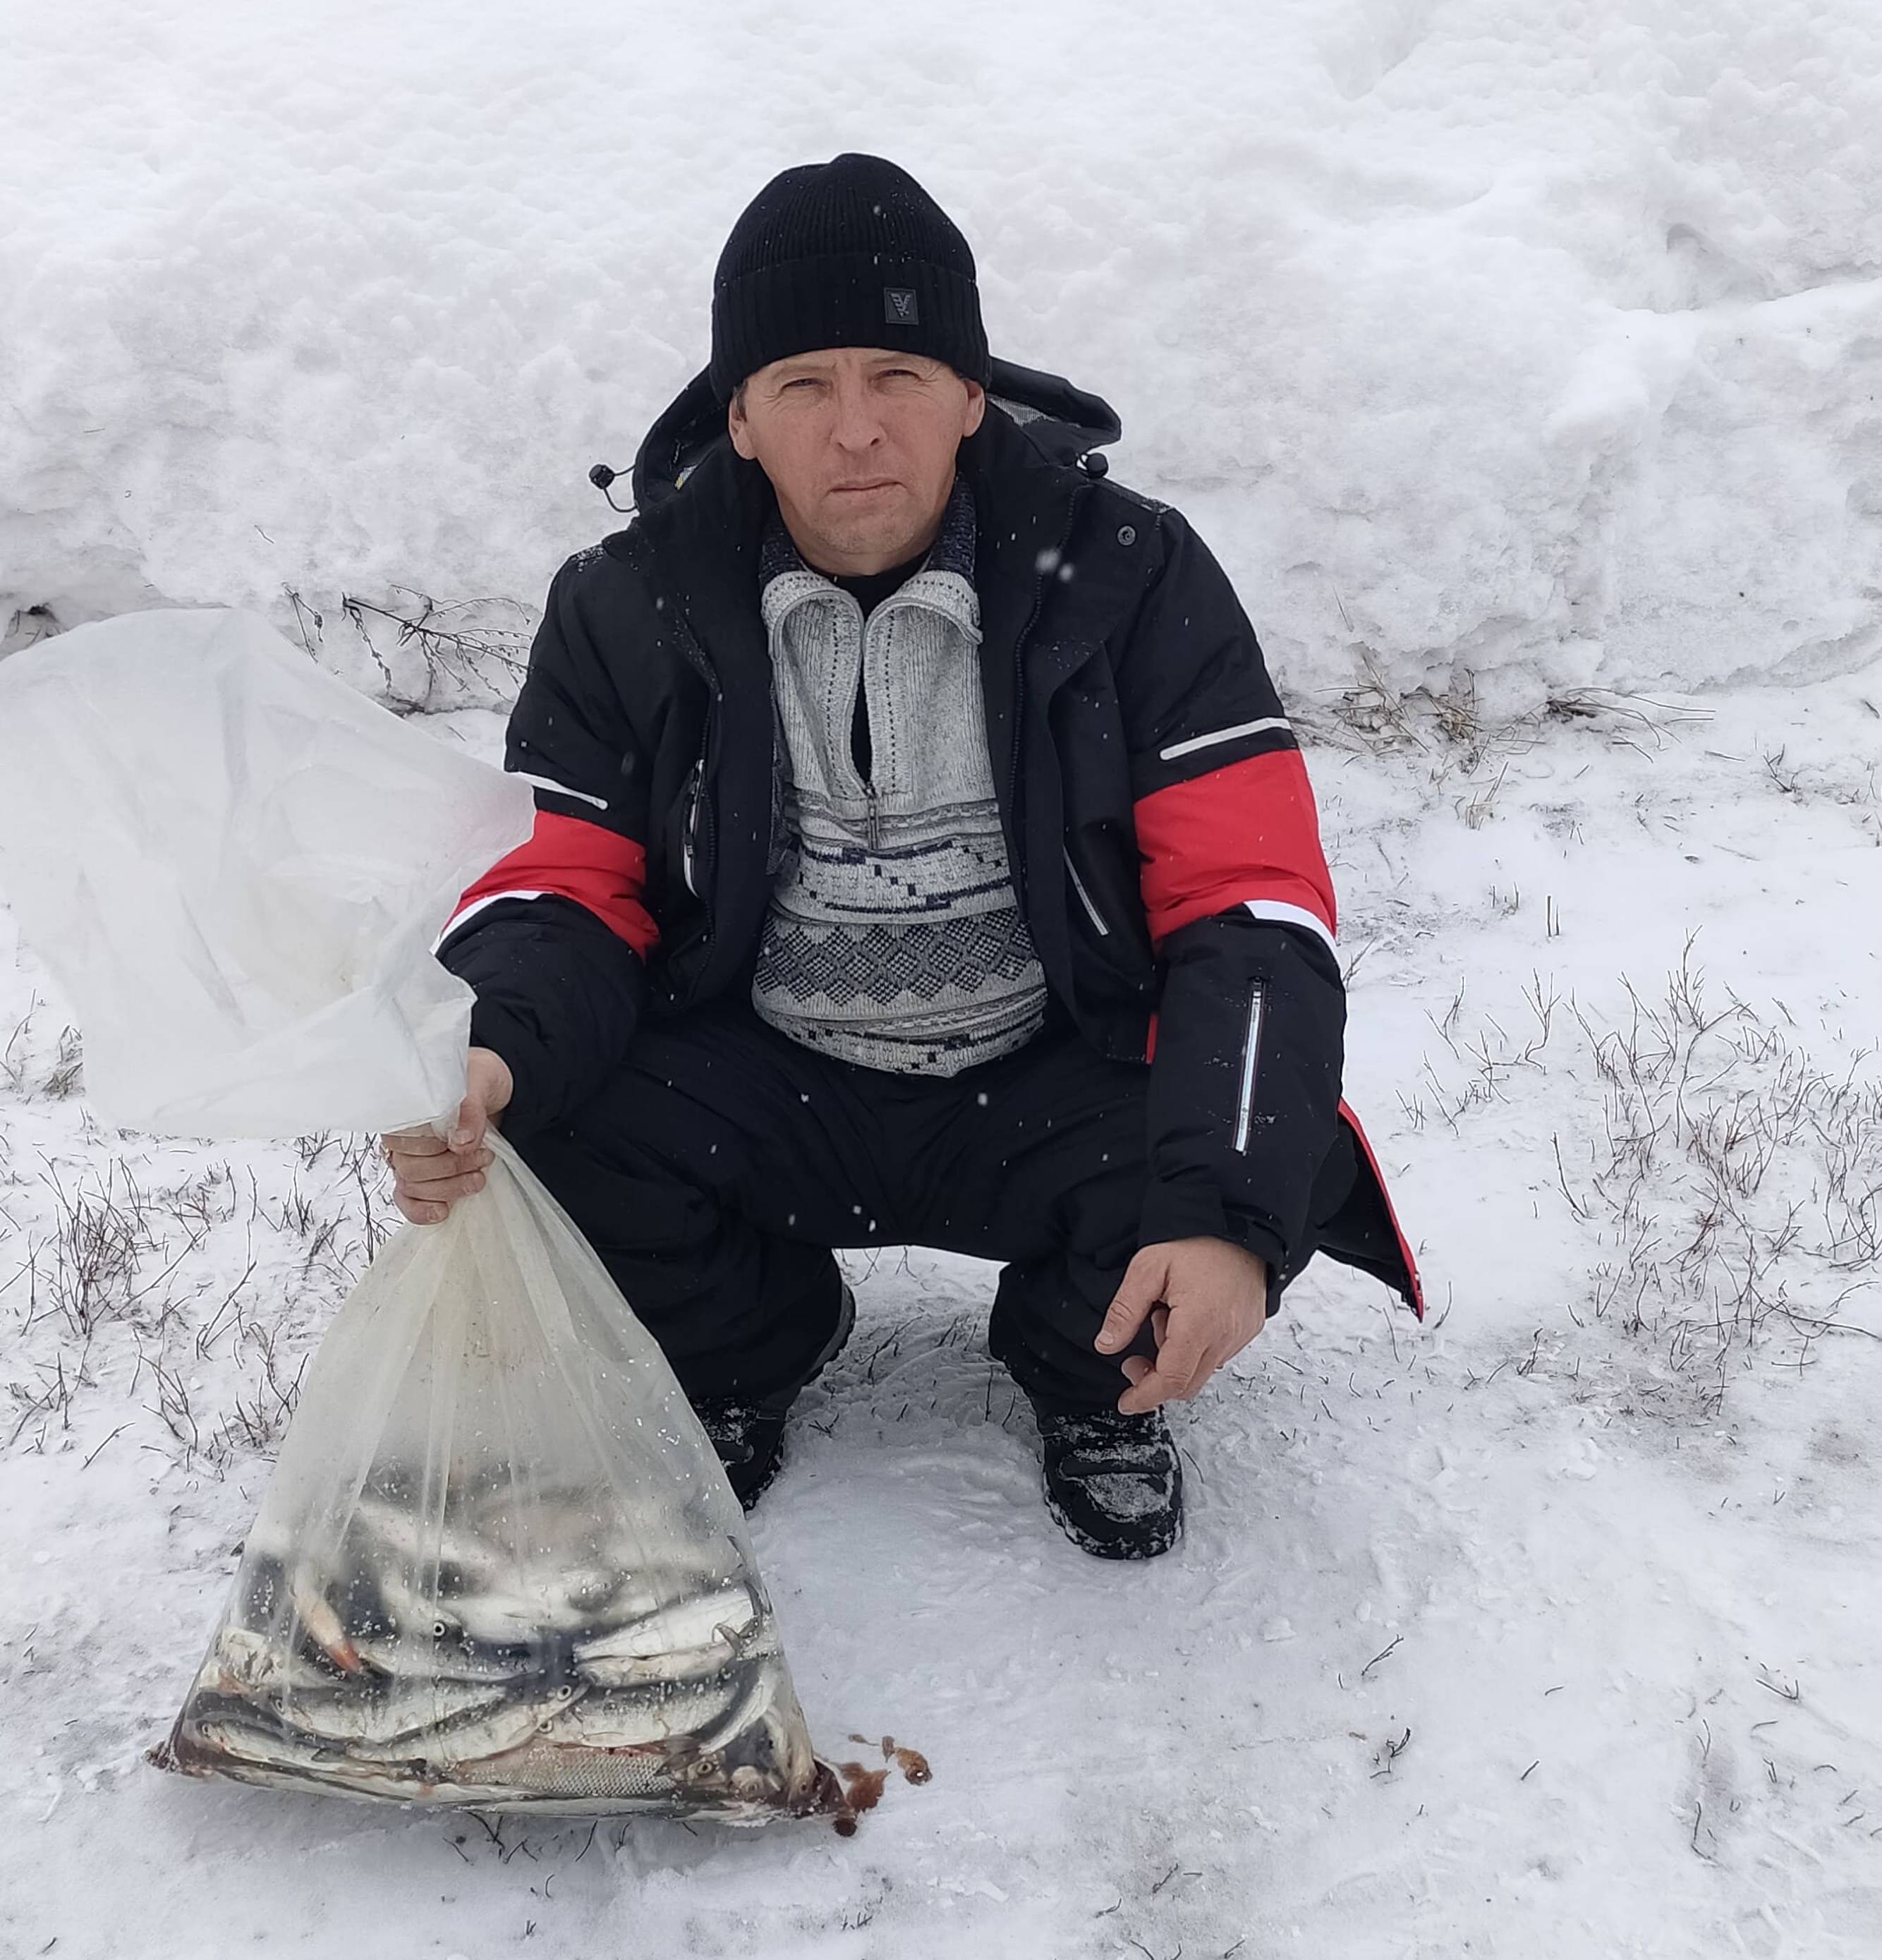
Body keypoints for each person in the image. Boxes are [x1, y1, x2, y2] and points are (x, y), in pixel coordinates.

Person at [386, 154, 1421, 1559]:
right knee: (538, 1114)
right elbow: (564, 882)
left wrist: (1227, 1212)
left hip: (1050, 1069)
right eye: (802, 384)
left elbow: (1250, 906)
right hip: (763, 1073)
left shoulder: (1132, 573)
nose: (857, 427)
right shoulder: (626, 603)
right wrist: (487, 1046)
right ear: (738, 415)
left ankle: (1086, 1379)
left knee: (1247, 1143)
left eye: (899, 374)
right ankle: (745, 1342)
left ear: (971, 392)